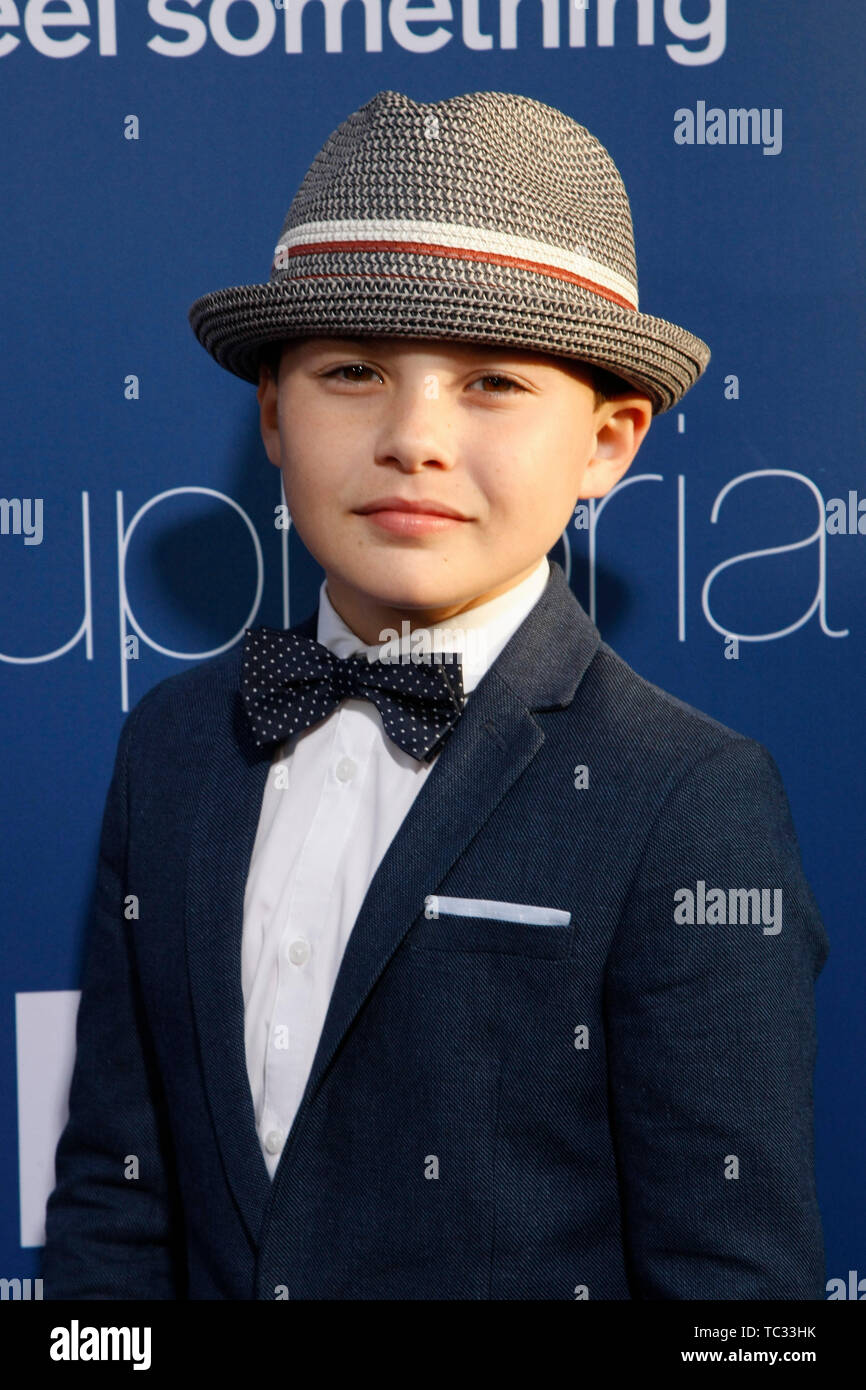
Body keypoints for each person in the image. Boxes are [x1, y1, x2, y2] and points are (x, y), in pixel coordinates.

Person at [42, 88, 829, 1300]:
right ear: (270, 410)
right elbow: (114, 1198)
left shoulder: (683, 797)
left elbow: (735, 1298)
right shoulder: (171, 746)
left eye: (492, 382)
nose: (412, 436)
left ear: (607, 442)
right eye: (352, 370)